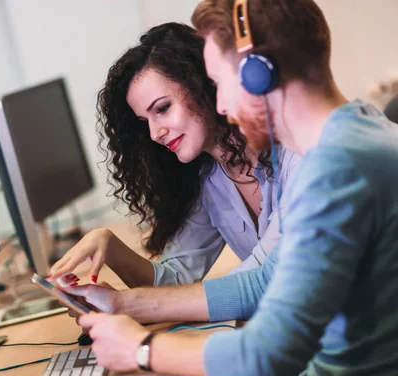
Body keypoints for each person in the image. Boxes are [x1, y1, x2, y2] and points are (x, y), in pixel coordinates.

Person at [61, 1, 398, 376]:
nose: (220, 104)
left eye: (219, 83)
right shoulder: (354, 138)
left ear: (259, 74)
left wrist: (140, 348)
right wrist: (124, 305)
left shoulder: (335, 169)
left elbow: (265, 351)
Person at [49, 22, 299, 288]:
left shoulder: (296, 152)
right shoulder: (208, 179)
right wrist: (111, 249)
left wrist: (133, 305)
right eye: (145, 121)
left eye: (163, 108)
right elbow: (176, 279)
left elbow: (263, 278)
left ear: (204, 84)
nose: (155, 134)